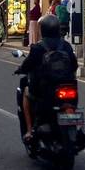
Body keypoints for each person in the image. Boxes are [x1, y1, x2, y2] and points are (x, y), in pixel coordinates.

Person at [15, 14, 77, 142]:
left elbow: (27, 65)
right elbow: (74, 65)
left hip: (45, 90)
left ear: (43, 30)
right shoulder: (66, 46)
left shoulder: (38, 47)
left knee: (26, 93)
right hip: (68, 88)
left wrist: (20, 69)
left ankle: (29, 130)